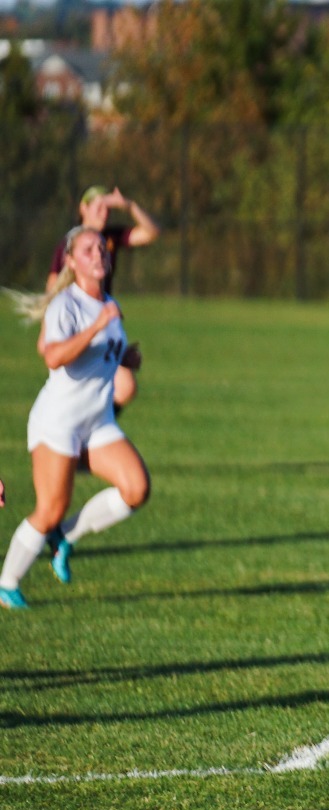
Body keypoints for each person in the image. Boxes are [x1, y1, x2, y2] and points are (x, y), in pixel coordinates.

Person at [3, 228, 152, 609]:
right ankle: (7, 582)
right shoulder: (65, 305)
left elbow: (99, 354)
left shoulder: (108, 303)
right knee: (50, 509)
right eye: (88, 250)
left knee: (136, 489)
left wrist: (124, 357)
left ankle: (65, 537)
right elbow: (54, 357)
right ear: (71, 261)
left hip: (98, 422)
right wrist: (98, 326)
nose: (98, 254)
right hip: (59, 423)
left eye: (101, 248)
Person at [46, 186, 157, 412]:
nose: (104, 213)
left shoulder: (110, 237)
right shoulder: (72, 243)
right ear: (83, 208)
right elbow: (52, 287)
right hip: (81, 322)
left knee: (123, 388)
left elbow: (150, 233)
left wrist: (129, 206)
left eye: (108, 208)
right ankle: (85, 424)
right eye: (99, 207)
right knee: (109, 387)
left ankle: (94, 424)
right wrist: (53, 322)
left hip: (103, 316)